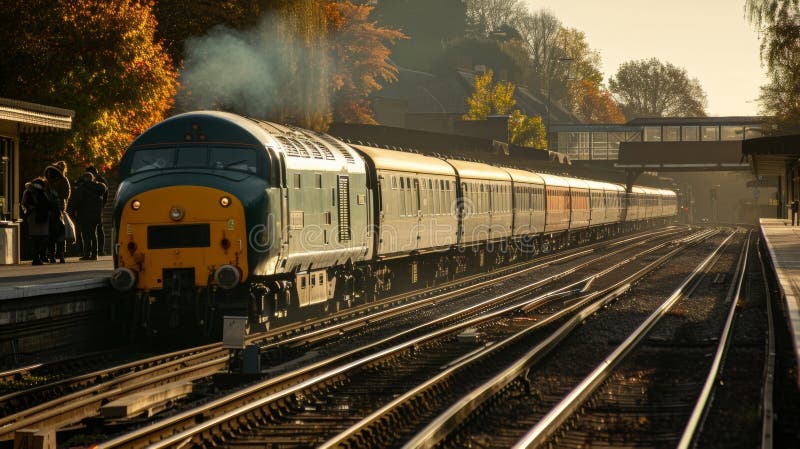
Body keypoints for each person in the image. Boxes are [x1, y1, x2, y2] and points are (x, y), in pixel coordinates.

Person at [69, 171, 106, 260]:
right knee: (93, 234)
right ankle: (94, 253)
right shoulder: (99, 188)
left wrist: (72, 211)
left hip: (84, 214)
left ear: (85, 178)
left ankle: (87, 253)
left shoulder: (82, 188)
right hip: (95, 215)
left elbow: (77, 201)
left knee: (85, 234)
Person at [44, 160, 71, 263]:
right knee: (58, 232)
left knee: (55, 232)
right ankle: (58, 255)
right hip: (57, 208)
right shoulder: (56, 180)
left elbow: (66, 194)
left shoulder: (58, 180)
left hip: (57, 208)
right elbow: (67, 194)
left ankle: (56, 255)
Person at [21, 178, 53, 265]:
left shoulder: (28, 192)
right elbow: (48, 204)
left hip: (34, 217)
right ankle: (38, 257)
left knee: (37, 239)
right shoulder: (43, 193)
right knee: (39, 239)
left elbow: (24, 204)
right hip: (40, 217)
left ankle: (37, 257)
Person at [85, 165, 108, 255]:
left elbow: (105, 194)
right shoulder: (102, 181)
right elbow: (106, 195)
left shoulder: (96, 181)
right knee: (99, 229)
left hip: (95, 207)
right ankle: (100, 250)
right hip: (99, 206)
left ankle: (98, 250)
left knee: (96, 229)